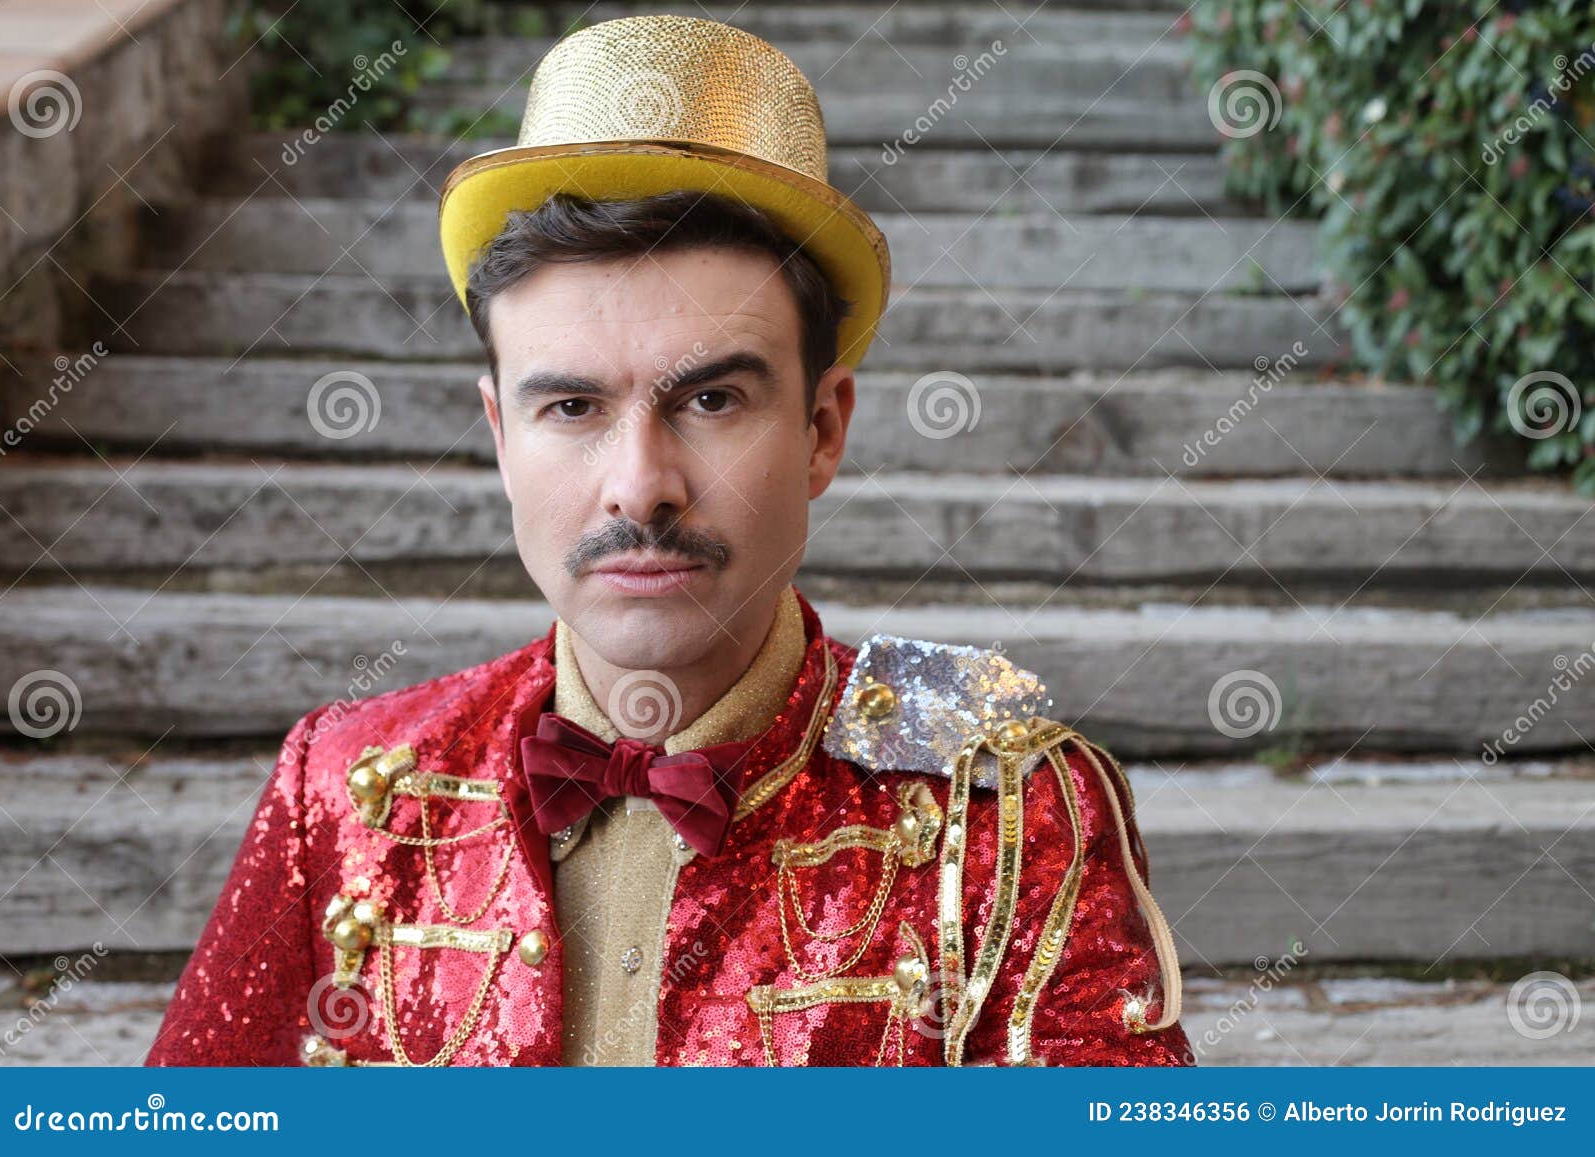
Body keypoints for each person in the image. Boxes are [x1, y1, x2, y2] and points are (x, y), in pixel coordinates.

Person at [146, 13, 1192, 1068]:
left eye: (711, 399)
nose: (641, 485)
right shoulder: (342, 788)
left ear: (822, 429)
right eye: (572, 408)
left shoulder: (1006, 811)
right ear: (501, 436)